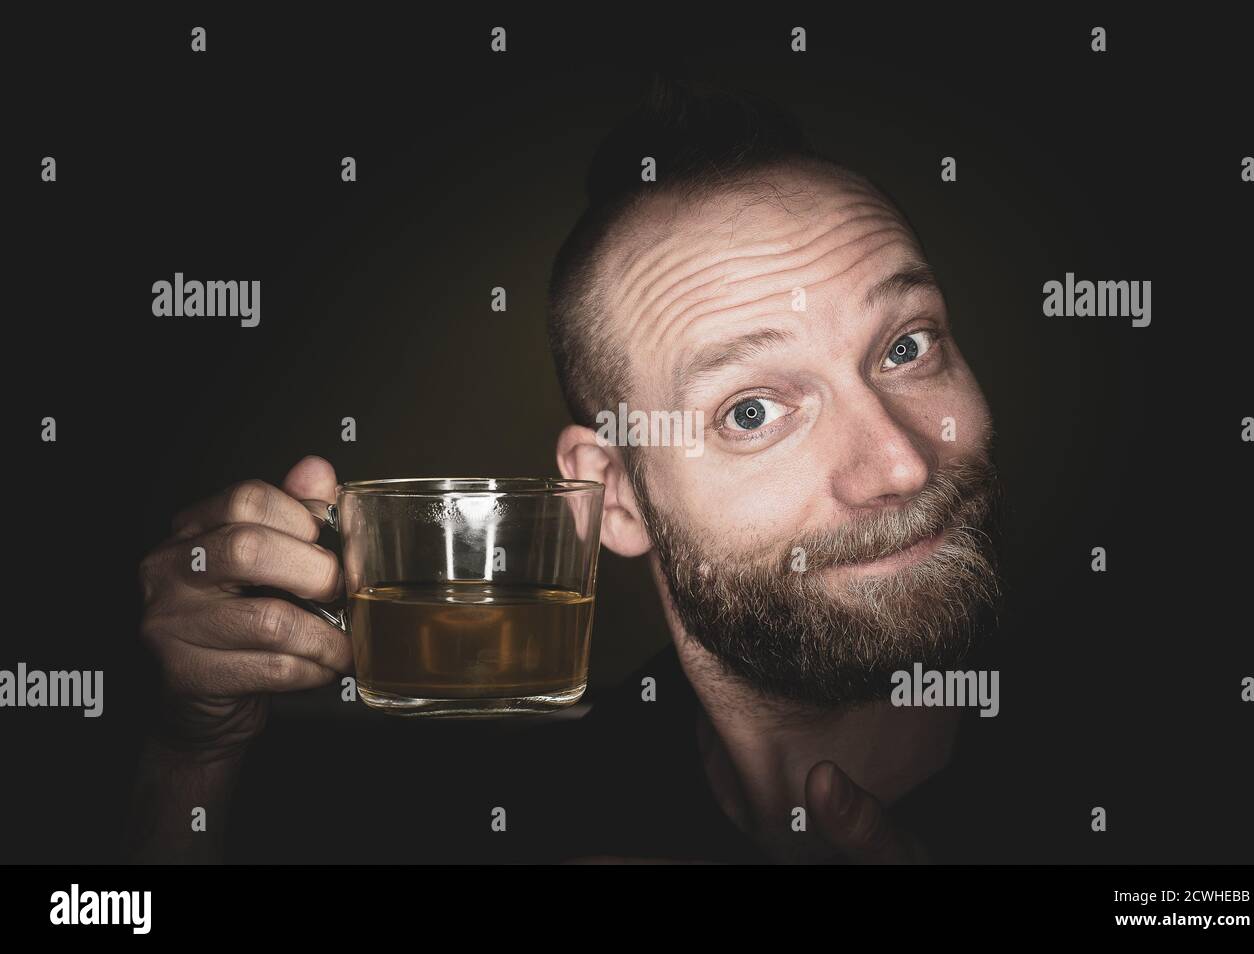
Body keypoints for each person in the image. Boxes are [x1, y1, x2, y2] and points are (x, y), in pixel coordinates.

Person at [130, 75, 1008, 864]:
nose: (899, 462)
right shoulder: (517, 806)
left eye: (907, 346)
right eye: (752, 411)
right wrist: (193, 757)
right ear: (615, 493)